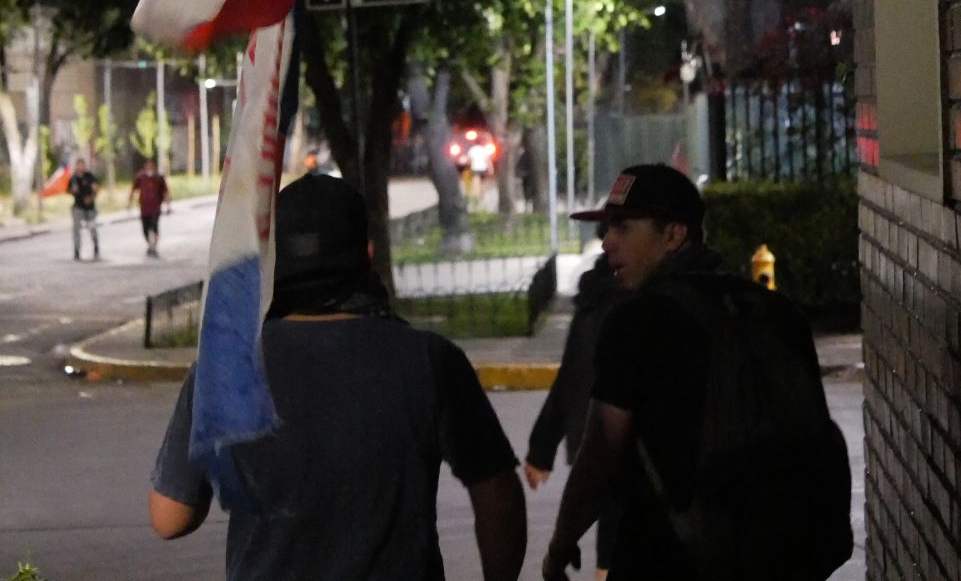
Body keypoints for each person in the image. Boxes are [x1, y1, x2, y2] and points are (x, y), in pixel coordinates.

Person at [149, 173, 527, 581]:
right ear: (367, 255)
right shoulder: (430, 361)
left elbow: (170, 517)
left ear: (274, 263)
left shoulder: (225, 369)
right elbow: (499, 497)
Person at [542, 163, 852, 581]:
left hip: (672, 555)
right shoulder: (777, 312)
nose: (607, 243)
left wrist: (561, 544)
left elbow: (601, 449)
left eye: (623, 228)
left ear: (674, 234)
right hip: (784, 552)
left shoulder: (635, 321)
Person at [524, 249, 626, 580]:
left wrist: (542, 447)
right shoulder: (607, 300)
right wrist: (542, 446)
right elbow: (574, 374)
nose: (611, 240)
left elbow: (571, 375)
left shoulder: (599, 296)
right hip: (621, 447)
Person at [128, 157, 171, 257]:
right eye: (147, 165)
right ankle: (149, 244)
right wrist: (129, 203)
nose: (149, 167)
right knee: (145, 229)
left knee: (154, 226)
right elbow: (133, 189)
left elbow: (166, 192)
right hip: (144, 208)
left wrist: (168, 205)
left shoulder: (159, 178)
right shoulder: (140, 177)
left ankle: (154, 246)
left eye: (151, 165)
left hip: (155, 207)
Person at [68, 157, 100, 261]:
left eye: (82, 165)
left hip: (90, 207)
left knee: (92, 228)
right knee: (76, 229)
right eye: (79, 165)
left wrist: (91, 197)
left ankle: (96, 247)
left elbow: (96, 188)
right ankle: (76, 251)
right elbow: (70, 191)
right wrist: (73, 191)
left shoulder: (89, 176)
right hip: (78, 207)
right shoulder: (73, 178)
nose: (81, 167)